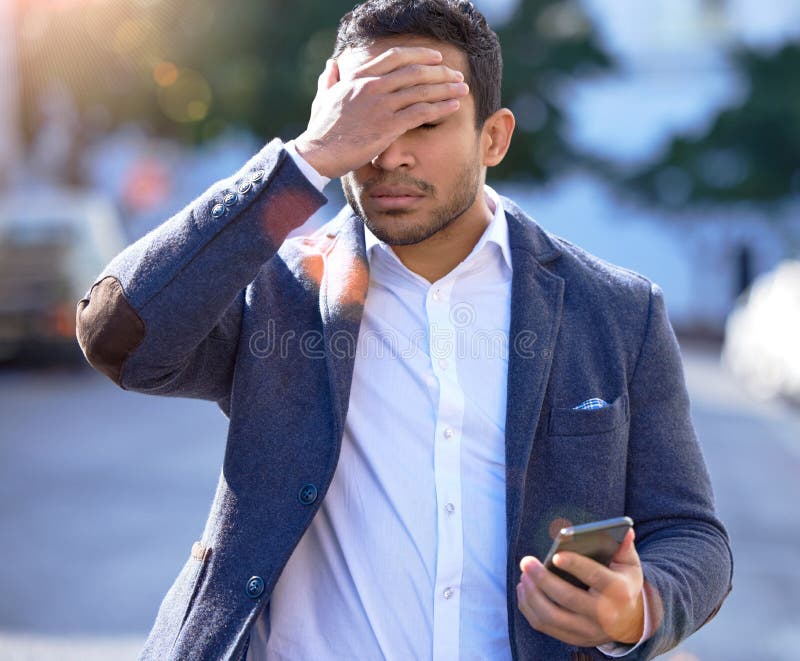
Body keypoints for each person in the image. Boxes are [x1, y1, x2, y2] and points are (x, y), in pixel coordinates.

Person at [75, 1, 732, 659]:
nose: (388, 153)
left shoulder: (617, 311)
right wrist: (307, 159)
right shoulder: (278, 291)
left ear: (494, 138)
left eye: (422, 121)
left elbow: (690, 533)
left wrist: (635, 609)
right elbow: (118, 336)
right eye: (367, 119)